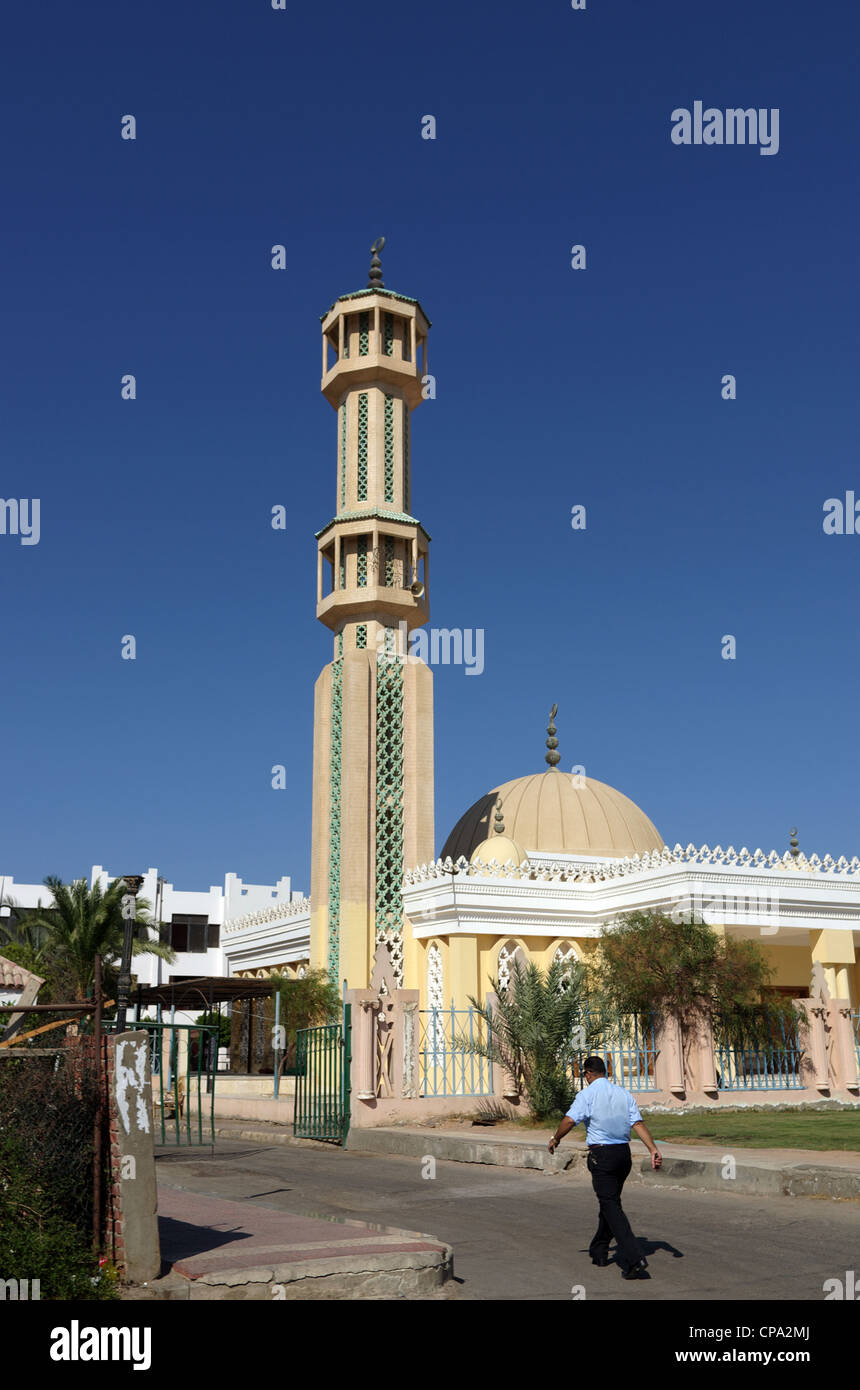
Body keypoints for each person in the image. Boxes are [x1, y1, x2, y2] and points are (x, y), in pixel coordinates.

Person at [548, 1056, 662, 1279]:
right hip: (623, 1155)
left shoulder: (587, 1095)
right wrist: (653, 1149)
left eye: (585, 1075)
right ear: (605, 1072)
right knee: (610, 1203)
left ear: (588, 1074)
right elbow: (637, 1124)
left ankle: (634, 1258)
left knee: (610, 1205)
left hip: (603, 1156)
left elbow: (570, 1120)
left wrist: (556, 1138)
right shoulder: (623, 1093)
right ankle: (599, 1250)